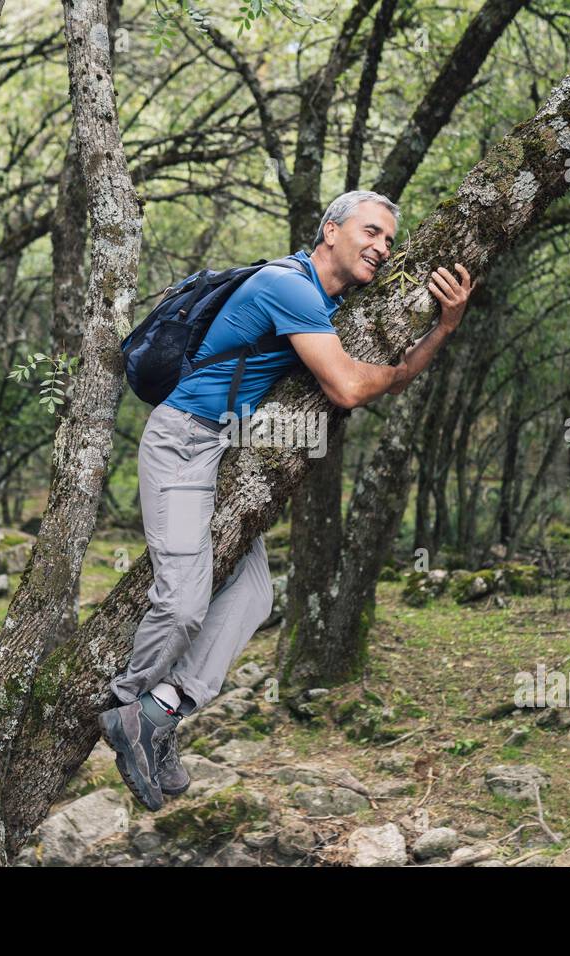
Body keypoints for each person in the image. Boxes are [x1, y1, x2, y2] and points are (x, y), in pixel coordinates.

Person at [98, 190, 475, 810]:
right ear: (330, 229)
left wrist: (444, 327)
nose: (382, 247)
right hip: (182, 443)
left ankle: (163, 709)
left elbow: (390, 377)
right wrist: (397, 365)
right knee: (185, 599)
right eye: (371, 231)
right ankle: (126, 708)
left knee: (251, 594)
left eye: (389, 239)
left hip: (223, 451)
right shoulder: (289, 286)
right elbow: (352, 388)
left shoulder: (332, 303)